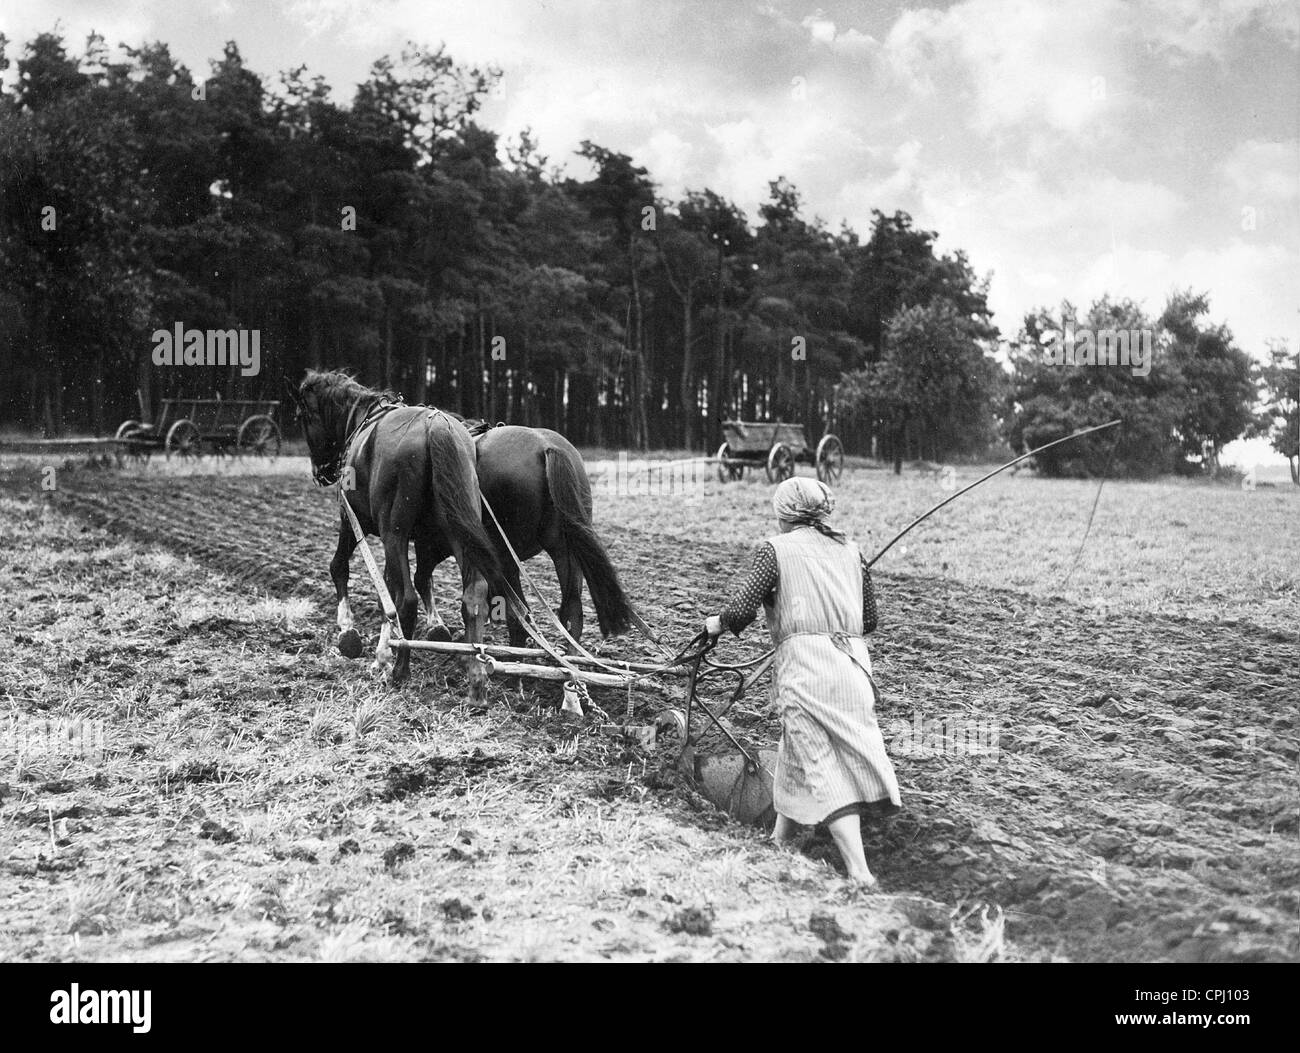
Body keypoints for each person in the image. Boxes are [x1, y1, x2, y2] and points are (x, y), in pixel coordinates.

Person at [704, 476, 901, 887]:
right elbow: (869, 622)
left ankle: (860, 873)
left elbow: (741, 611)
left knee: (821, 764)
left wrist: (716, 624)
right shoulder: (852, 550)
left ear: (783, 515)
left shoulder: (774, 550)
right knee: (796, 751)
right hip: (853, 670)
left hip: (807, 671)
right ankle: (779, 839)